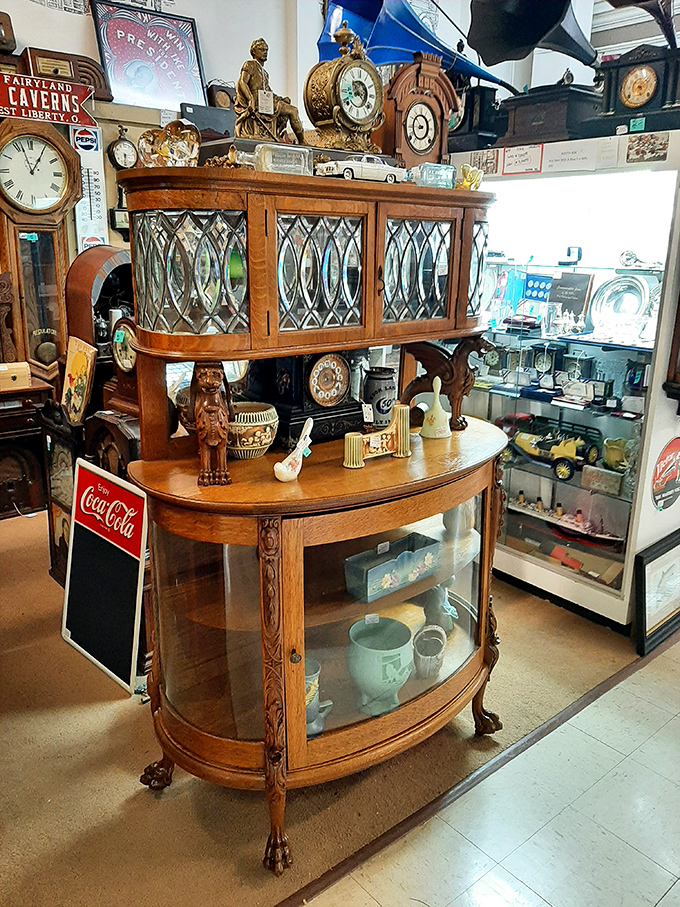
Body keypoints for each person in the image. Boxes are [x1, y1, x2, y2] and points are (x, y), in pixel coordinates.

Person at [234, 38, 305, 144]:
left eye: (266, 50)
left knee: (292, 109)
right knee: (293, 111)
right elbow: (242, 83)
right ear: (254, 51)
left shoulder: (265, 73)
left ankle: (302, 140)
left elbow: (268, 92)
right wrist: (250, 99)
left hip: (265, 102)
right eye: (261, 49)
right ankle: (302, 141)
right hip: (257, 101)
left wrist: (281, 99)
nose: (265, 52)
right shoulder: (249, 65)